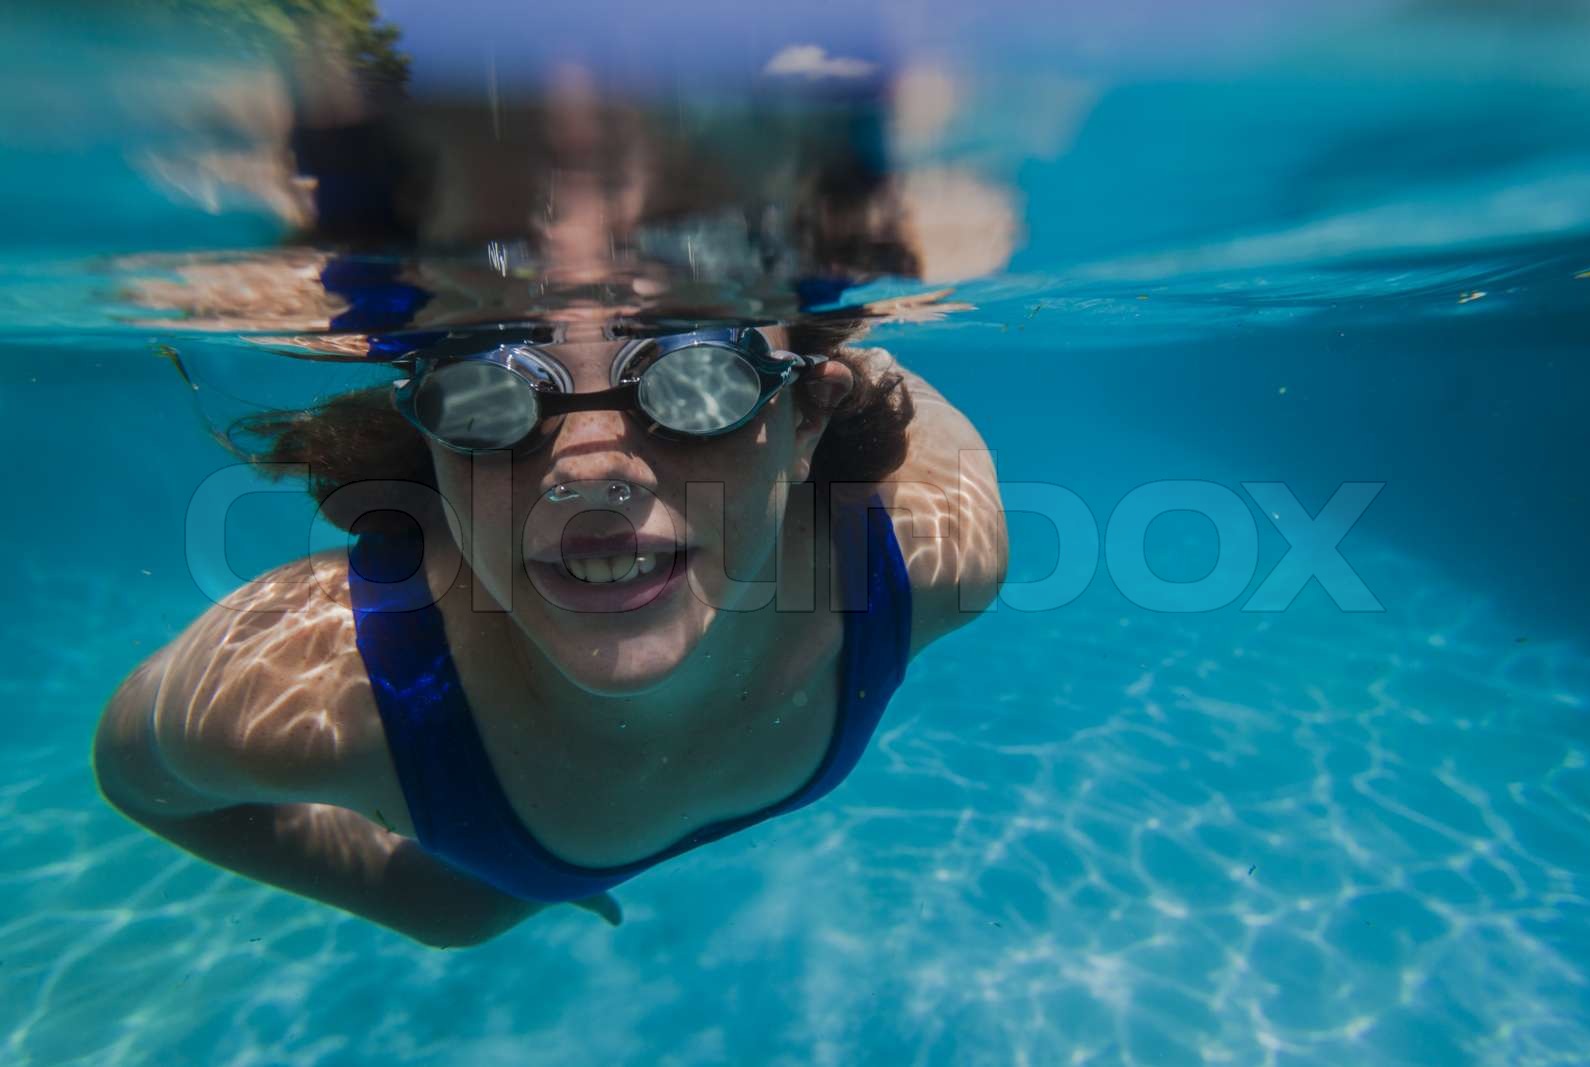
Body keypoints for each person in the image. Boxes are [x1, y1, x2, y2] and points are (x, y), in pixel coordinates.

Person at [93, 47, 1011, 949]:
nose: (589, 471)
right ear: (433, 438)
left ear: (806, 419)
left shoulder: (935, 558)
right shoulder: (329, 691)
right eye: (483, 397)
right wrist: (429, 902)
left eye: (700, 384)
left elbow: (873, 375)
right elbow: (136, 777)